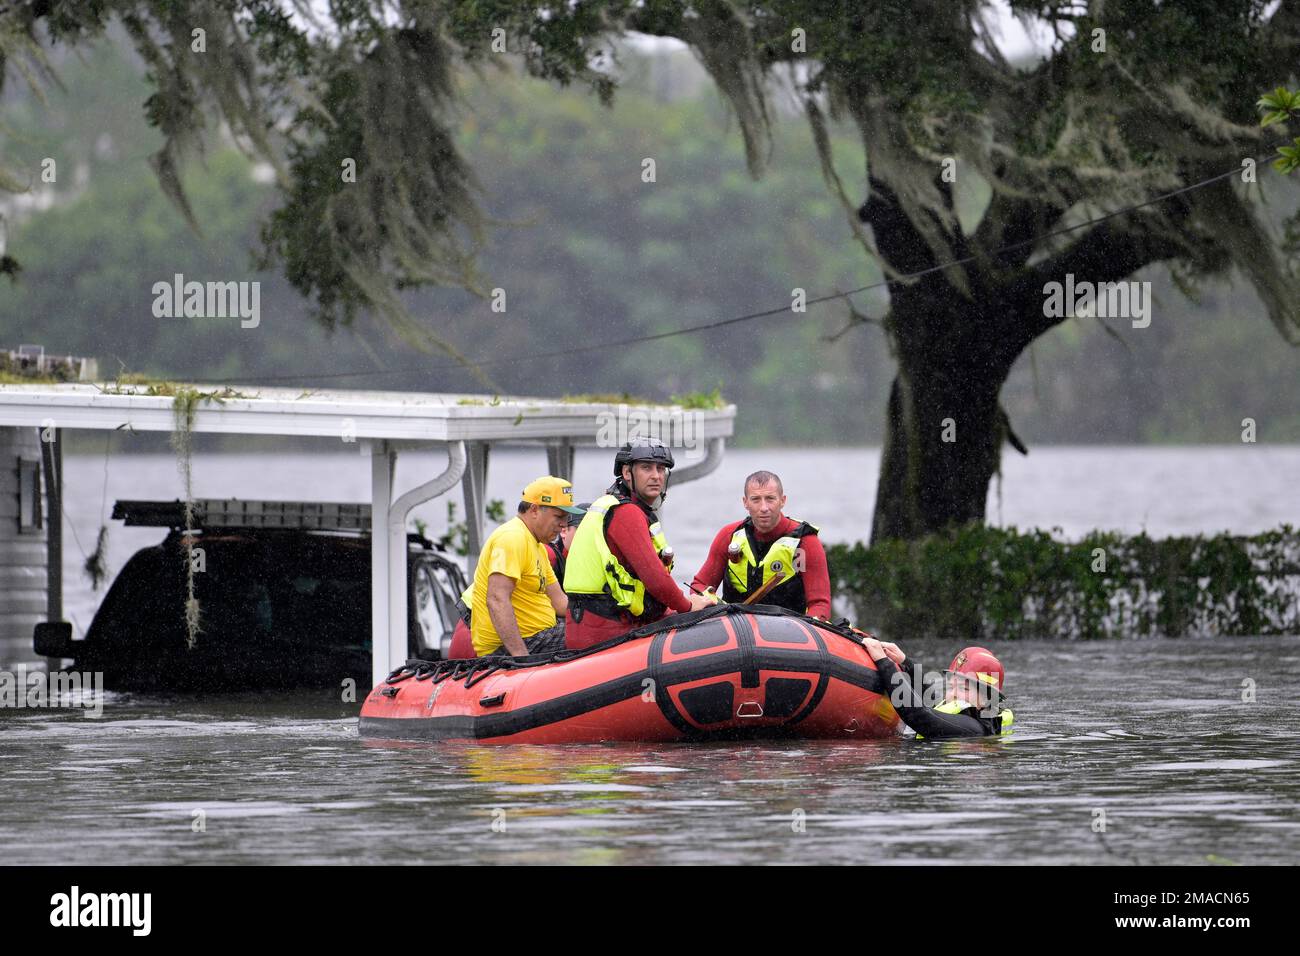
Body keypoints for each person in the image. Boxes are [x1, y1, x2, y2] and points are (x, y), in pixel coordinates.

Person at [564, 439, 712, 649]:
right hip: (605, 633)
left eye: (661, 469)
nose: (656, 476)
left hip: (597, 625)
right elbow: (655, 579)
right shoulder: (626, 513)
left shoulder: (614, 505)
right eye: (646, 468)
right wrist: (688, 606)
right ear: (626, 473)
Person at [468, 476, 584, 657]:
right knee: (592, 638)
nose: (563, 524)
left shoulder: (538, 545)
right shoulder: (512, 537)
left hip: (539, 637)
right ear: (535, 510)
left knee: (593, 631)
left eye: (567, 518)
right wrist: (521, 657)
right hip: (517, 645)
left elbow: (560, 602)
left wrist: (600, 615)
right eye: (559, 516)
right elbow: (497, 599)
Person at [690, 470, 831, 618]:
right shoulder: (729, 536)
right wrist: (713, 604)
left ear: (782, 500)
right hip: (736, 630)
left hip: (790, 632)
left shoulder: (805, 543)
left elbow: (820, 604)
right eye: (756, 499)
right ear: (745, 502)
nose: (764, 508)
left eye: (770, 499)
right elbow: (699, 586)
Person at [862, 639, 1014, 738]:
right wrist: (905, 662)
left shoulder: (974, 729)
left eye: (964, 689)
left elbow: (919, 716)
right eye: (951, 687)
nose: (953, 695)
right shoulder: (967, 714)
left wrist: (884, 663)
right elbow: (931, 700)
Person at [545, 503, 588, 584]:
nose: (590, 536)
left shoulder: (606, 558)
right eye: (583, 530)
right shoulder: (549, 557)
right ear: (564, 531)